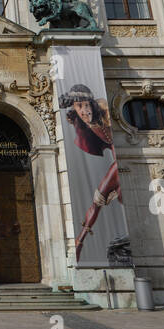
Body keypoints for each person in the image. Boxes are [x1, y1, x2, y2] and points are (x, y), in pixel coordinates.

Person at [58, 84, 120, 259]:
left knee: (100, 195)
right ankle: (79, 241)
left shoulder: (102, 108)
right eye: (79, 107)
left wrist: (75, 97)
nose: (85, 111)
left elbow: (101, 107)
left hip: (119, 165)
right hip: (117, 167)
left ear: (92, 103)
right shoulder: (85, 126)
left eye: (87, 105)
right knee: (97, 201)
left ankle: (79, 240)